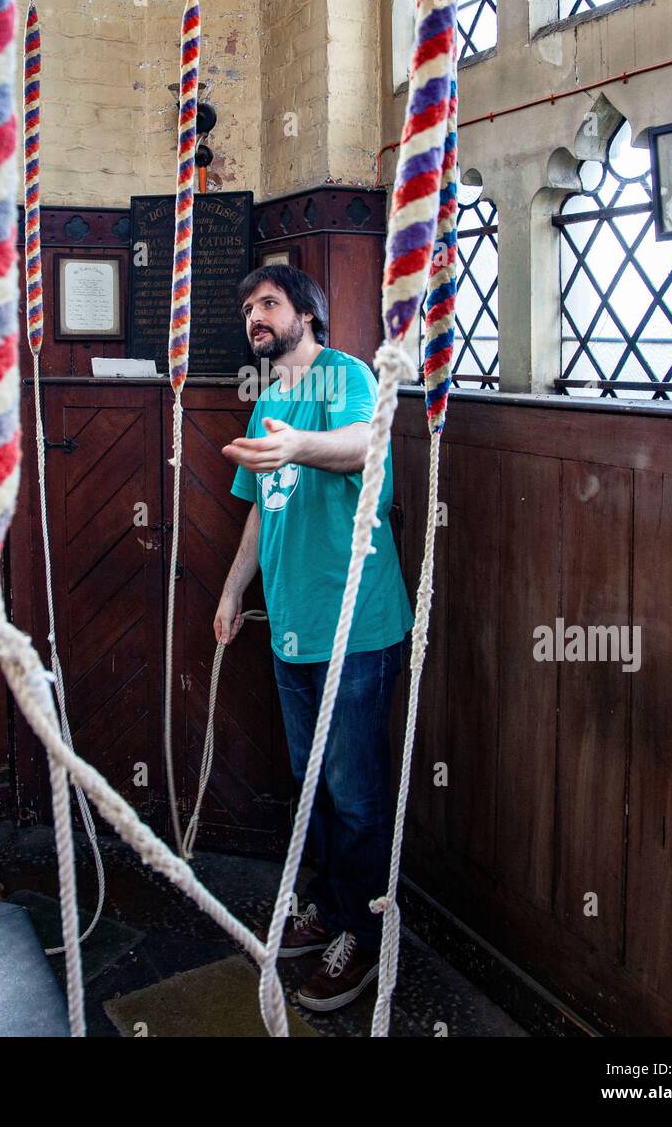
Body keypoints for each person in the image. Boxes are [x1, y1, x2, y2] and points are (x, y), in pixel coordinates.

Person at [216, 265, 414, 1012]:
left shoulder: (345, 375)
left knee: (356, 794)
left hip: (357, 625)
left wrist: (300, 443)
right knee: (313, 785)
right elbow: (261, 509)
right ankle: (329, 913)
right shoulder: (267, 397)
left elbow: (365, 444)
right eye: (247, 309)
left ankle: (364, 941)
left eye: (268, 304)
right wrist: (234, 591)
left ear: (307, 312)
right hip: (292, 629)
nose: (254, 318)